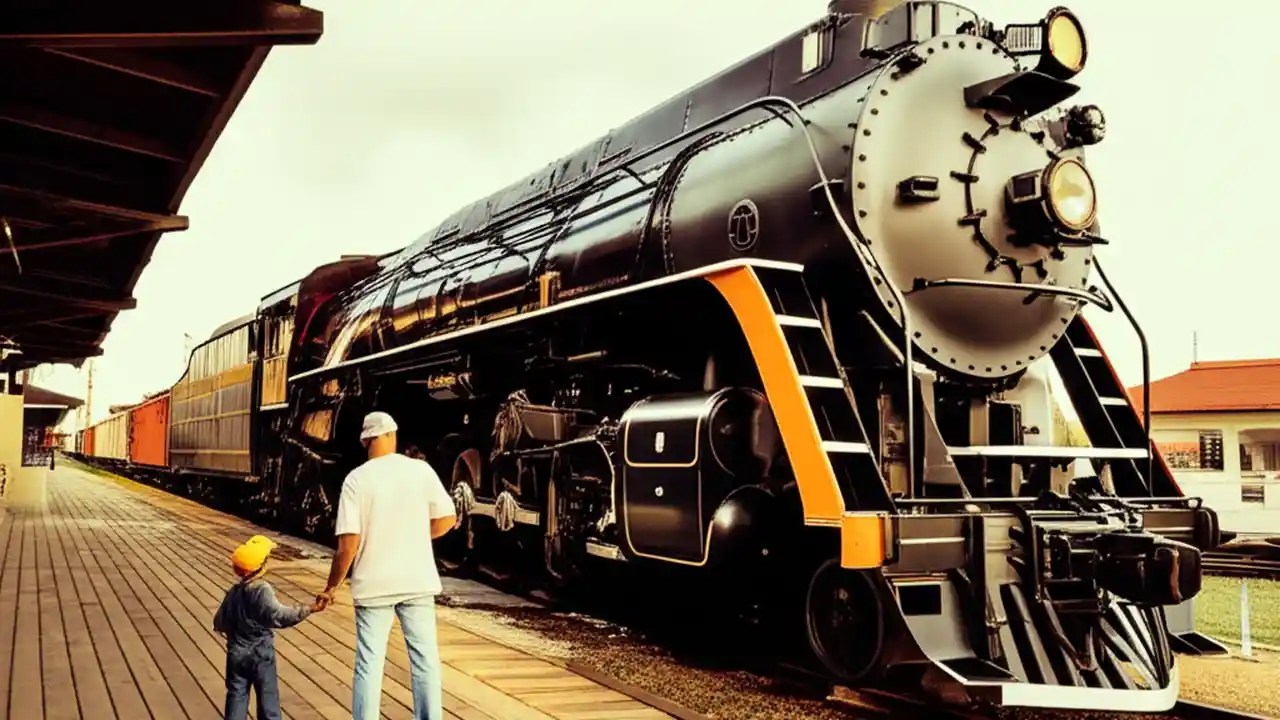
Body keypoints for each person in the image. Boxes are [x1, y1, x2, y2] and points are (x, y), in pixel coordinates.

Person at [316, 411, 457, 720]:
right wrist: (417, 535)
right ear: (392, 435)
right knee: (425, 661)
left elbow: (348, 546)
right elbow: (448, 518)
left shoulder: (356, 480)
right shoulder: (420, 471)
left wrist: (331, 587)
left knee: (369, 662)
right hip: (417, 580)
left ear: (366, 441)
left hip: (374, 584)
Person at [214, 534, 325, 720]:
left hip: (236, 653)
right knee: (268, 699)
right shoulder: (261, 589)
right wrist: (311, 609)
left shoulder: (233, 593)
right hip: (260, 654)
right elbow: (280, 616)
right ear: (263, 564)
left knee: (236, 696)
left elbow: (219, 623)